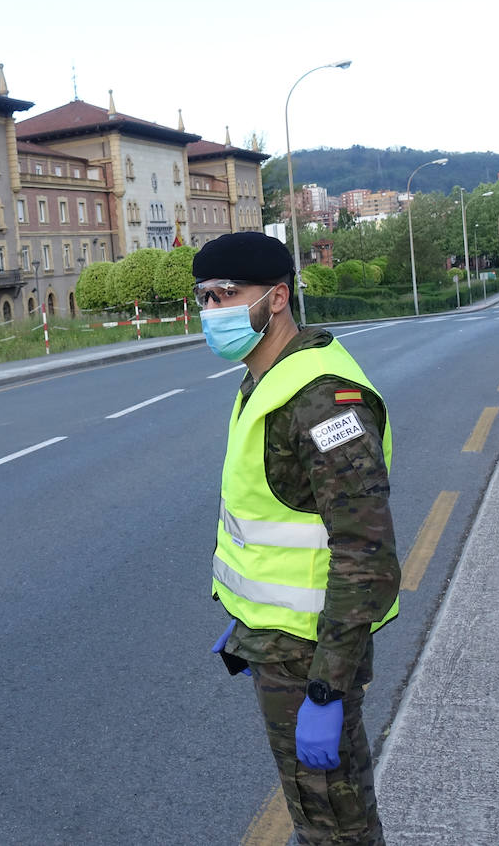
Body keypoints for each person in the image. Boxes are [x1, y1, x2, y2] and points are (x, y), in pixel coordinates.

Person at [194, 231, 400, 846]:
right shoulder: (266, 381)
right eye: (203, 298)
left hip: (311, 655)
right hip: (276, 642)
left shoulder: (320, 400)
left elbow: (366, 552)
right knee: (318, 817)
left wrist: (327, 688)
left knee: (336, 826)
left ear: (277, 297)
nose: (211, 312)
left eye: (227, 295)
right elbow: (277, 527)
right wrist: (247, 619)